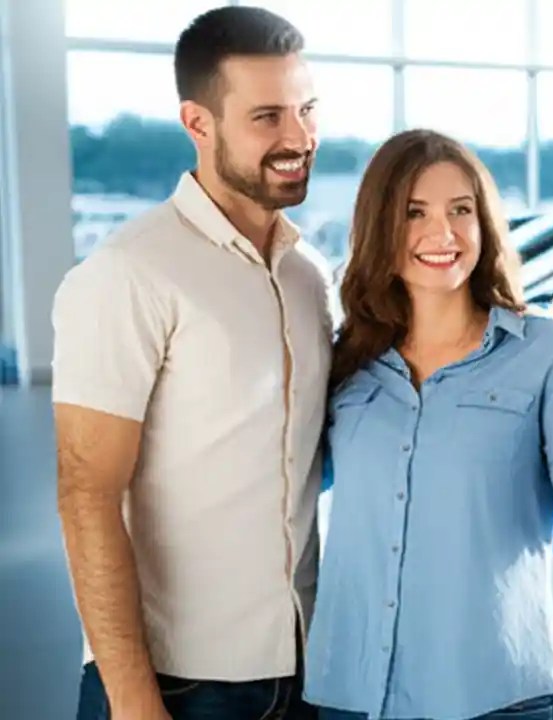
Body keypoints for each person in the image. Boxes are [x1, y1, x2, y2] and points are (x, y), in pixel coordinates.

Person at [302, 128, 553, 720]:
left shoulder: (544, 349)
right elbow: (292, 484)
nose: (443, 234)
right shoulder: (345, 361)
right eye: (415, 213)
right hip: (350, 696)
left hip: (495, 696)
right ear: (381, 225)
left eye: (460, 210)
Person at [51, 7, 331, 719]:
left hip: (310, 670)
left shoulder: (311, 276)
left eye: (307, 109)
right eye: (267, 116)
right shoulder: (129, 273)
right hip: (176, 688)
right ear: (198, 124)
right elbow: (87, 493)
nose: (298, 138)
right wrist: (135, 700)